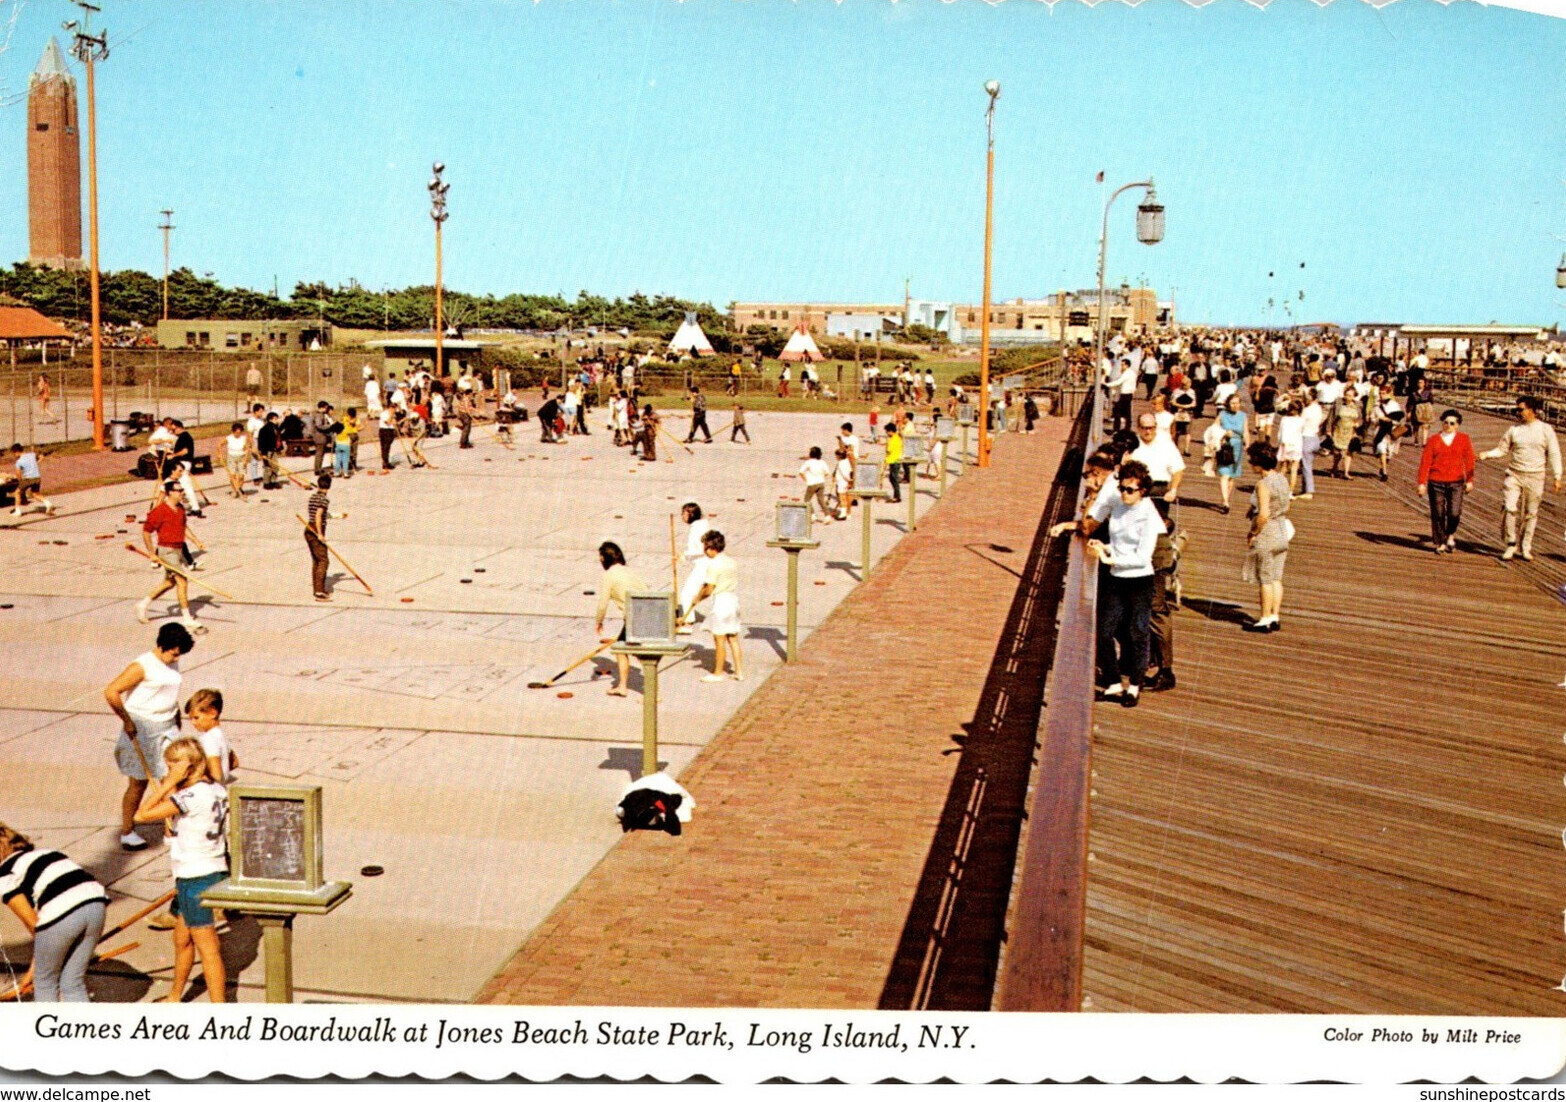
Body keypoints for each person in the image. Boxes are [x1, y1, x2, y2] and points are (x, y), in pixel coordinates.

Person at [133, 738, 228, 1003]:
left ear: (186, 767)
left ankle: (221, 1010)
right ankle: (175, 996)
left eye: (171, 765)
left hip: (195, 875)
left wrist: (168, 783)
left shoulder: (188, 796)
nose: (167, 770)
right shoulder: (216, 788)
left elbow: (141, 815)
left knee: (207, 947)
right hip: (212, 867)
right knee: (181, 938)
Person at [104, 621, 195, 851]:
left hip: (167, 725)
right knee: (138, 784)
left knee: (174, 778)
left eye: (179, 654)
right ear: (162, 645)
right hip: (142, 727)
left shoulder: (172, 661)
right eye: (174, 653)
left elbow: (169, 691)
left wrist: (175, 718)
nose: (176, 658)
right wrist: (126, 720)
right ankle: (127, 831)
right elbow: (111, 691)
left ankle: (169, 830)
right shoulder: (142, 665)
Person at [0, 823, 108, 1002]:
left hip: (61, 912)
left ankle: (49, 1028)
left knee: (44, 983)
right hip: (96, 905)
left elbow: (33, 923)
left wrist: (34, 971)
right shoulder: (48, 853)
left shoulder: (4, 875)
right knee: (72, 982)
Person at [1086, 462, 1161, 707]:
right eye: (1122, 488)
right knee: (1104, 631)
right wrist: (1103, 546)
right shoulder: (1119, 507)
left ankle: (1135, 686)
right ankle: (1113, 682)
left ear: (1143, 491)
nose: (1124, 493)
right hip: (1117, 577)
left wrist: (1109, 559)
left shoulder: (1148, 514)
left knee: (1137, 632)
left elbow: (1142, 557)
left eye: (1130, 489)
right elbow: (1117, 543)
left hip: (1139, 580)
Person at [1479, 394, 1562, 561]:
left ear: (1532, 410)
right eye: (1517, 409)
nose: (1518, 413)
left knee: (1531, 513)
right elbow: (1502, 450)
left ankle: (1526, 545)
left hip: (1535, 476)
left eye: (1521, 409)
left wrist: (1557, 475)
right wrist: (1486, 454)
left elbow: (1554, 453)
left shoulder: (1546, 430)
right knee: (1509, 507)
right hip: (1514, 474)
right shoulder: (1514, 430)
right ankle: (1511, 543)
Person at [136, 484, 203, 630]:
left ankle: (143, 604)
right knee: (182, 581)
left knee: (169, 583)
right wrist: (152, 553)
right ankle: (187, 618)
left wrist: (195, 540)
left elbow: (183, 527)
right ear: (169, 493)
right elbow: (146, 531)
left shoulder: (180, 508)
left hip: (178, 550)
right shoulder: (159, 511)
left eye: (182, 490)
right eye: (178, 491)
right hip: (167, 551)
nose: (182, 493)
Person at [1242, 442, 1292, 633]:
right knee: (1276, 577)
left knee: (1265, 577)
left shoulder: (1262, 484)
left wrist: (1253, 533)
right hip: (1281, 528)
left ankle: (1264, 618)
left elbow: (1263, 514)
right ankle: (1275, 615)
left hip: (1267, 532)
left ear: (1257, 462)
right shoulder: (1281, 479)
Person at [1417, 409, 1476, 554]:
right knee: (1437, 513)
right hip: (1436, 481)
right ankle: (1441, 542)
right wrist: (1421, 483)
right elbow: (1425, 462)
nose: (1448, 425)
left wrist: (1470, 480)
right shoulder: (1433, 440)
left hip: (1456, 481)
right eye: (1445, 422)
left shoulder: (1464, 439)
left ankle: (1450, 534)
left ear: (1457, 425)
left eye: (1452, 423)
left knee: (1454, 513)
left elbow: (1469, 461)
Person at [687, 530, 743, 682]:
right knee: (733, 638)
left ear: (711, 548)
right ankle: (739, 671)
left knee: (719, 640)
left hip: (721, 603)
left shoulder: (714, 565)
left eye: (705, 547)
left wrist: (698, 599)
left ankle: (718, 673)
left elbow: (709, 588)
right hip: (733, 600)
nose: (704, 551)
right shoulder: (731, 562)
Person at [594, 542, 646, 697]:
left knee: (639, 654)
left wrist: (599, 621)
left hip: (633, 617)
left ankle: (652, 693)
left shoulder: (609, 575)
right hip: (645, 612)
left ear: (605, 558)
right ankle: (622, 686)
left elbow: (603, 603)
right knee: (621, 648)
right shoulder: (629, 571)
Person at [305, 473, 347, 602]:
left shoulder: (313, 497)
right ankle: (319, 592)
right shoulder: (324, 499)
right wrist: (320, 534)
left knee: (316, 560)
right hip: (316, 530)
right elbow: (318, 516)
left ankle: (318, 588)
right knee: (324, 561)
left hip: (308, 529)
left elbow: (319, 514)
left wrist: (336, 516)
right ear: (329, 486)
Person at [184, 688, 237, 785]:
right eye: (190, 719)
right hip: (221, 791)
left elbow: (216, 774)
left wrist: (199, 776)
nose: (193, 723)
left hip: (210, 793)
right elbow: (234, 762)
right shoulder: (221, 735)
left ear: (213, 713)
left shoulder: (208, 739)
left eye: (196, 717)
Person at [1130, 414, 1184, 502]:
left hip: (1158, 489)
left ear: (1155, 427)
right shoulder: (1132, 443)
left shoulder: (1166, 444)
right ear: (1138, 428)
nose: (1148, 431)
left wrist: (1173, 490)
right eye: (1144, 428)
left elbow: (1178, 470)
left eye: (1151, 428)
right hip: (1135, 487)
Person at [676, 503, 712, 635]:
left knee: (687, 592)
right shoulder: (701, 525)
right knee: (692, 592)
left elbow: (699, 548)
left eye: (683, 514)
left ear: (690, 514)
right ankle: (688, 617)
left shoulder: (697, 528)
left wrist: (684, 555)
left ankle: (687, 623)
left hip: (703, 564)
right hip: (704, 563)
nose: (682, 517)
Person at [1215, 393, 1248, 514]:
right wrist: (1224, 433)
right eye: (1233, 403)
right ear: (1228, 404)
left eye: (1237, 403)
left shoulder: (1243, 416)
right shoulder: (1222, 414)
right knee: (1224, 474)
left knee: (1232, 476)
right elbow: (1214, 428)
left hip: (1238, 445)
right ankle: (1225, 502)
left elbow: (1246, 432)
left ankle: (1226, 499)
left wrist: (1248, 444)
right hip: (1225, 445)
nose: (1235, 405)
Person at [1370, 384, 1404, 482]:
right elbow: (1372, 419)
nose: (1381, 395)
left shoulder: (1395, 405)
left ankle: (1384, 465)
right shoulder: (1376, 406)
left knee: (1389, 453)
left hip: (1392, 431)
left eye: (1384, 393)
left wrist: (1390, 420)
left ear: (1389, 394)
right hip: (1380, 430)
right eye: (1380, 393)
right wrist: (1378, 419)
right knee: (1381, 449)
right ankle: (1385, 472)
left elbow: (1399, 419)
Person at [9, 443, 53, 517]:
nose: (14, 455)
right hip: (37, 477)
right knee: (35, 494)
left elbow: (18, 473)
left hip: (28, 479)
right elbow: (41, 456)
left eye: (14, 453)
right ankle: (48, 503)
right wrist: (36, 463)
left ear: (16, 452)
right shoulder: (32, 455)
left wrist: (20, 481)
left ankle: (17, 511)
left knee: (17, 493)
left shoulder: (19, 461)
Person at [799, 446, 833, 522]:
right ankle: (827, 516)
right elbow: (827, 473)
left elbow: (801, 472)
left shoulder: (808, 462)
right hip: (821, 483)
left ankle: (812, 515)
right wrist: (821, 477)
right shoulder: (822, 462)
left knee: (807, 500)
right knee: (821, 500)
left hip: (812, 483)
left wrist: (806, 479)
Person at [221, 422, 251, 500]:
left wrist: (245, 460)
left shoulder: (244, 438)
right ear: (233, 431)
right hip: (231, 457)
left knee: (241, 476)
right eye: (236, 432)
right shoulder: (229, 438)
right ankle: (234, 490)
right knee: (233, 475)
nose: (238, 434)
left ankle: (239, 489)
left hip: (241, 457)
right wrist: (219, 454)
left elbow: (247, 449)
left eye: (240, 432)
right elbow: (219, 445)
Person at [309, 401, 335, 475]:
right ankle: (317, 469)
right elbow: (319, 426)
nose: (326, 409)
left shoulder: (320, 415)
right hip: (320, 436)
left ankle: (318, 468)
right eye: (326, 407)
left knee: (320, 453)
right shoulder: (318, 415)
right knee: (319, 454)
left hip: (320, 436)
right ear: (323, 407)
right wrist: (330, 426)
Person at [333, 408, 359, 478]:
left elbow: (356, 425)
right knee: (345, 456)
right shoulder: (345, 419)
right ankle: (343, 472)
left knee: (352, 453)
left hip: (351, 436)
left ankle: (346, 470)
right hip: (346, 438)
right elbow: (352, 423)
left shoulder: (354, 419)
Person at [884, 420, 904, 503]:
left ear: (890, 431)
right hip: (894, 460)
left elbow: (889, 450)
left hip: (894, 461)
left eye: (887, 432)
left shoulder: (894, 439)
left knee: (894, 479)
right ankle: (896, 495)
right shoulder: (897, 438)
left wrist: (887, 444)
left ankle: (897, 496)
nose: (886, 433)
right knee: (892, 478)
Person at [377, 405, 398, 470]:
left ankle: (386, 461)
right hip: (384, 430)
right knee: (385, 447)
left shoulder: (393, 414)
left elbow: (394, 422)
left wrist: (394, 421)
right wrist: (391, 415)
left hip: (391, 430)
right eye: (394, 409)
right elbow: (388, 422)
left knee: (387, 447)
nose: (394, 411)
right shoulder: (384, 414)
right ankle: (385, 462)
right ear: (390, 408)